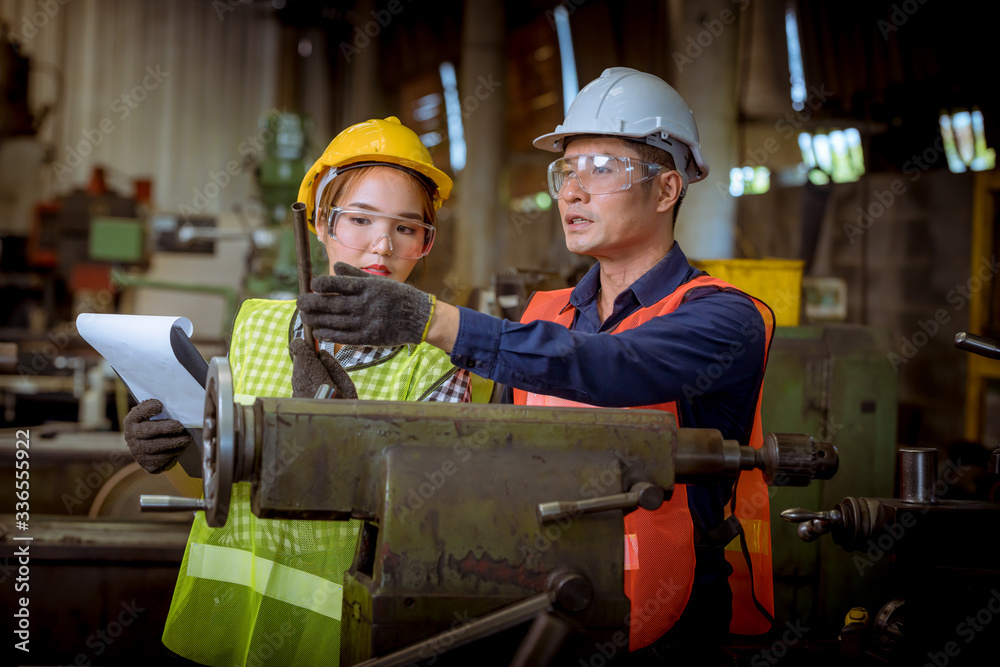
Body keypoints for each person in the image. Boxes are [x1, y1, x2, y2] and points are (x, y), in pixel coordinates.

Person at [297, 68, 776, 661]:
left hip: (667, 624)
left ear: (666, 189)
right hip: (542, 607)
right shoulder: (546, 313)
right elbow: (495, 461)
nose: (572, 191)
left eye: (601, 168)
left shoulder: (725, 318)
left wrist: (435, 321)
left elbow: (616, 365)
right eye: (566, 171)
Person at [122, 117, 488, 666]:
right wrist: (173, 451)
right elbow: (213, 481)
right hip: (223, 621)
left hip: (341, 638)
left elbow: (426, 529)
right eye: (359, 219)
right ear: (320, 222)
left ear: (426, 241)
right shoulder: (257, 325)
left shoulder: (441, 365)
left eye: (407, 228)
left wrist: (338, 432)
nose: (382, 245)